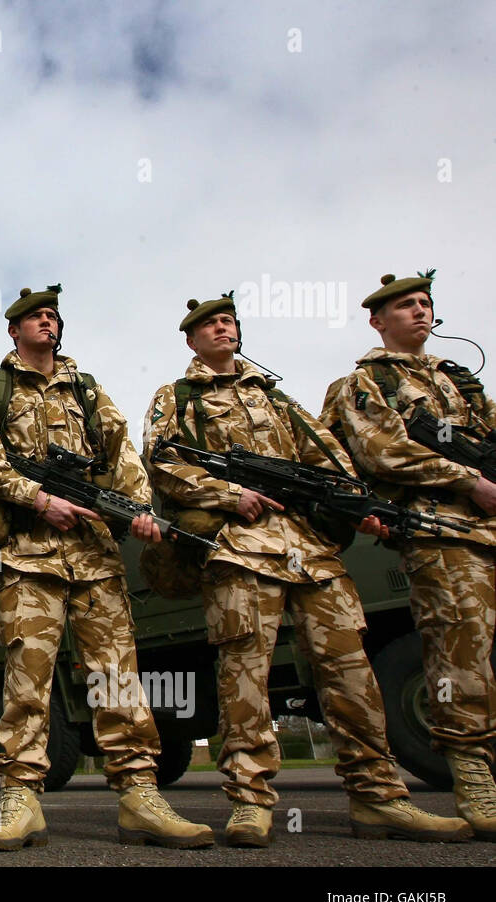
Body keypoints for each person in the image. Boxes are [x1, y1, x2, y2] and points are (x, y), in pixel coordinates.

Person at [144, 292, 471, 845]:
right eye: (210, 324)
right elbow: (162, 460)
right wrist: (229, 495)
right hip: (240, 548)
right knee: (244, 676)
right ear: (191, 339)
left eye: (228, 321)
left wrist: (351, 504)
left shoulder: (277, 398)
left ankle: (379, 797)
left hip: (308, 551)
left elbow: (326, 459)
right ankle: (249, 802)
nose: (222, 328)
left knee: (350, 673)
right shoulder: (176, 397)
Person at [0, 285, 212, 850]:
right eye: (35, 317)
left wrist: (140, 511)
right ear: (14, 331)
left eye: (53, 316)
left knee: (117, 677)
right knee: (28, 679)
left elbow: (123, 454)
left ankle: (140, 794)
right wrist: (38, 497)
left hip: (95, 556)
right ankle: (21, 796)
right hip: (28, 555)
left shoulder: (88, 389)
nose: (47, 322)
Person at [326, 271, 496, 840]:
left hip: (488, 525)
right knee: (459, 649)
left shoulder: (461, 382)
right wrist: (467, 480)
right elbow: (381, 453)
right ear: (378, 320)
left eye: (425, 303)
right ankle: (472, 773)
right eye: (405, 306)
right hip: (439, 531)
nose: (420, 312)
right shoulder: (365, 382)